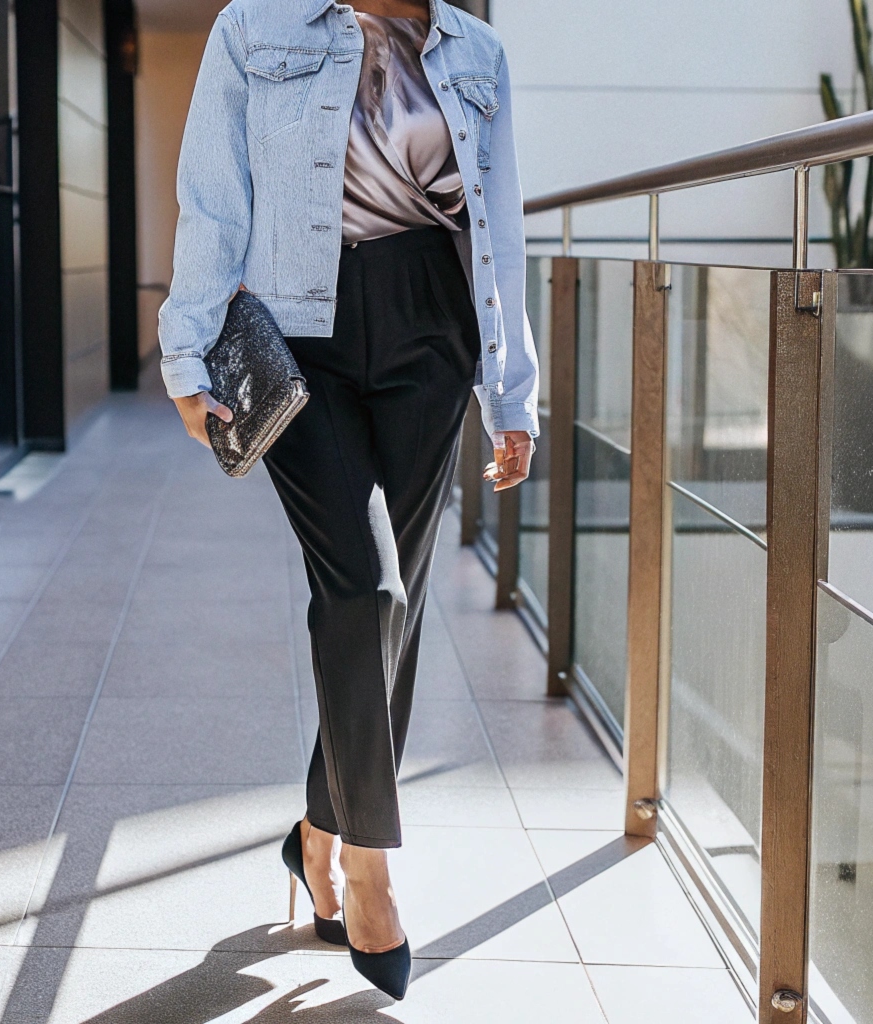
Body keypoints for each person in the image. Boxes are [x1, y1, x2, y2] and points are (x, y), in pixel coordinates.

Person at [155, 0, 537, 1001]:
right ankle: (364, 863)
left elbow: (499, 224)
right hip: (296, 325)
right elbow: (213, 192)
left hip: (429, 326)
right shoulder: (255, 28)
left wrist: (512, 393)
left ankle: (319, 828)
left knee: (395, 598)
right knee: (360, 583)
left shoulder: (477, 53)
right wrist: (186, 347)